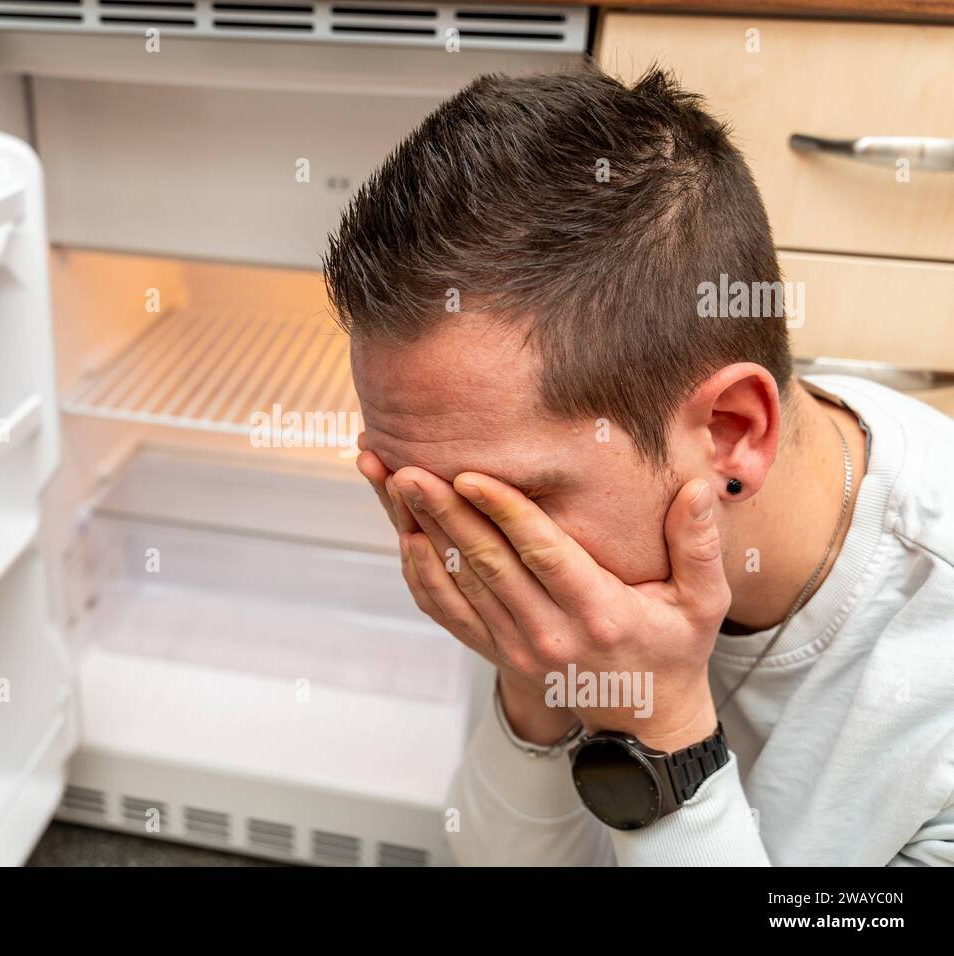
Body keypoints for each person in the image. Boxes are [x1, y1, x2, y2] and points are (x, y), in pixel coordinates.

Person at [322, 67, 954, 865]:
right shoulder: (533, 514)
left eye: (503, 503)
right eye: (416, 499)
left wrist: (667, 737)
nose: (463, 556)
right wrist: (541, 689)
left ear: (730, 433)